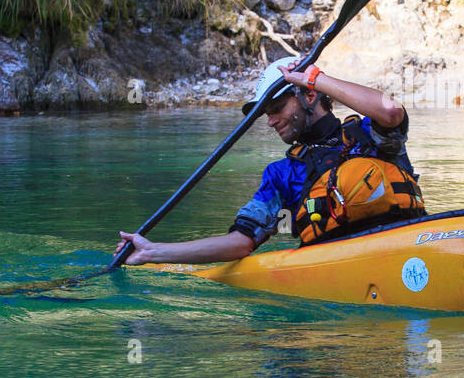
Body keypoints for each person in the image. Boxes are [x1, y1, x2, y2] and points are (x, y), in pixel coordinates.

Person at [115, 59, 424, 264]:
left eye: (276, 107)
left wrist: (315, 78)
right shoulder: (281, 175)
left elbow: (391, 112)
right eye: (266, 113)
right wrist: (153, 252)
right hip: (338, 267)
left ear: (310, 96)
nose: (271, 121)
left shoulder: (370, 135)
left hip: (406, 248)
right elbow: (241, 242)